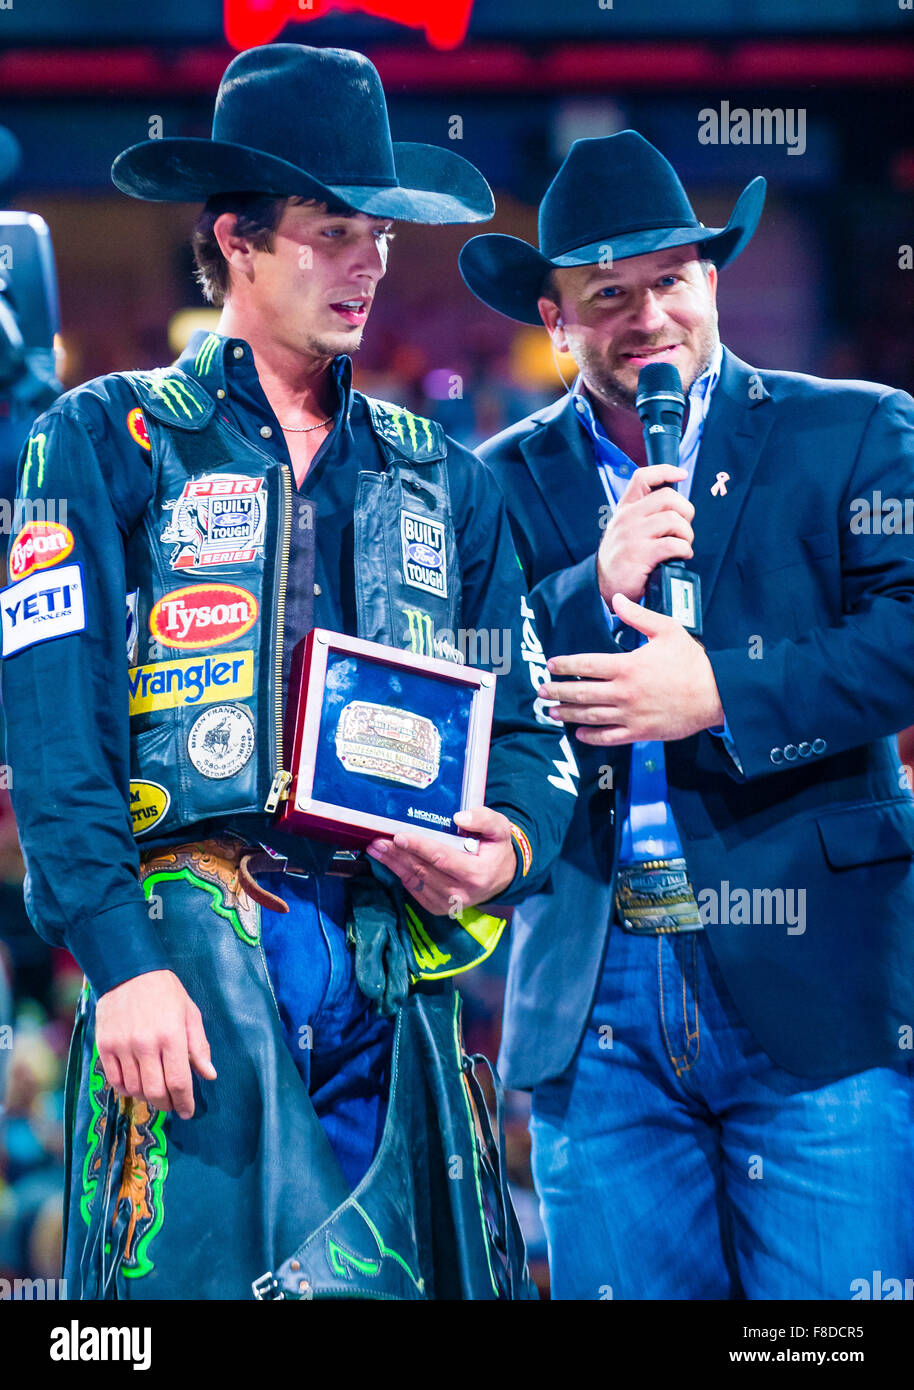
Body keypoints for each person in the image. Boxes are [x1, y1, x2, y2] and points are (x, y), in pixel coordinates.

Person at [0, 44, 578, 1301]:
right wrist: (120, 959)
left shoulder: (448, 478)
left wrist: (506, 851)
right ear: (238, 241)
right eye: (331, 232)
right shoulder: (104, 438)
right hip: (185, 946)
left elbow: (533, 735)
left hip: (388, 961)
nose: (368, 262)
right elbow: (53, 737)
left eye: (376, 233)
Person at [459, 130, 914, 1300]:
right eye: (606, 293)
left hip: (817, 983)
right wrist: (580, 592)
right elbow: (460, 684)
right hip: (592, 988)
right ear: (555, 322)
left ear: (709, 281)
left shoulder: (852, 428)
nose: (646, 314)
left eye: (667, 278)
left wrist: (720, 694)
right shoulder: (490, 487)